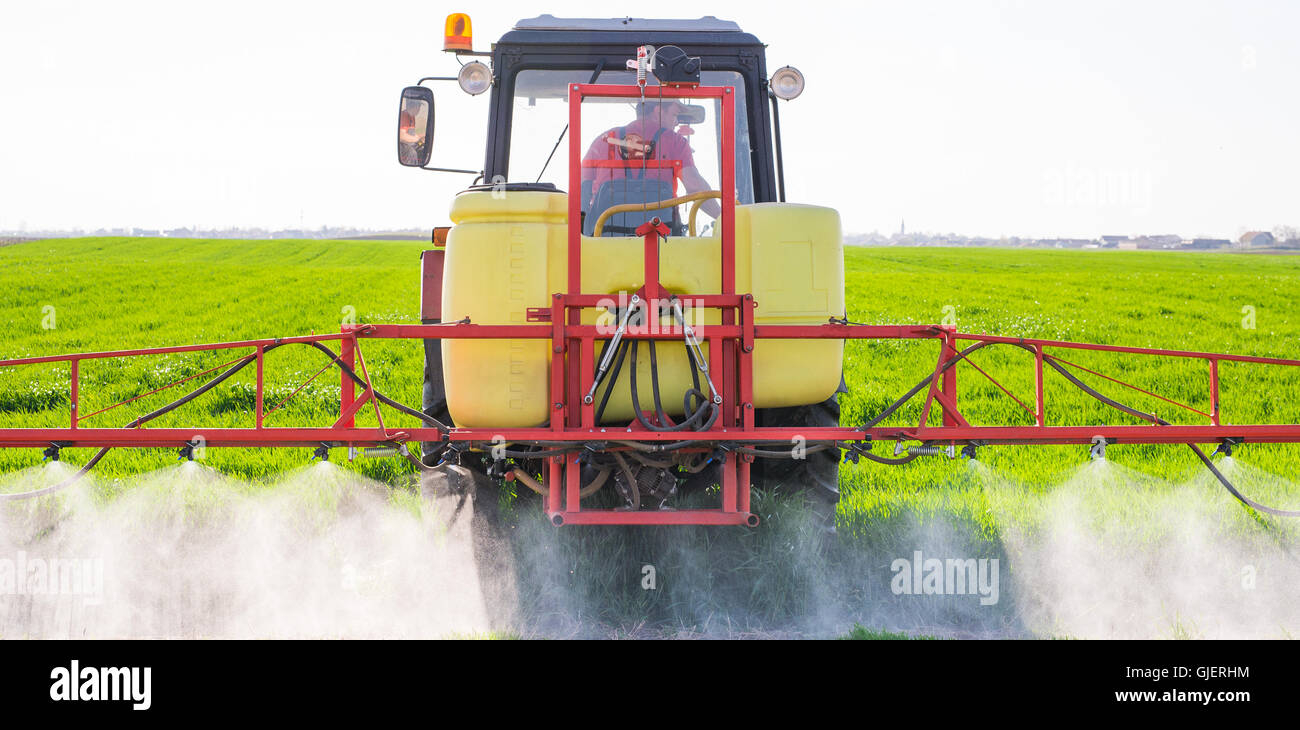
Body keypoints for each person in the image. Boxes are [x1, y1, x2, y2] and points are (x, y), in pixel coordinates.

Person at [581, 98, 720, 232]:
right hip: (662, 242)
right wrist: (723, 218)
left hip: (604, 241)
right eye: (674, 115)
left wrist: (582, 233)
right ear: (658, 111)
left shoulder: (604, 140)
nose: (676, 121)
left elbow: (581, 190)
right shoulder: (675, 141)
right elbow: (695, 186)